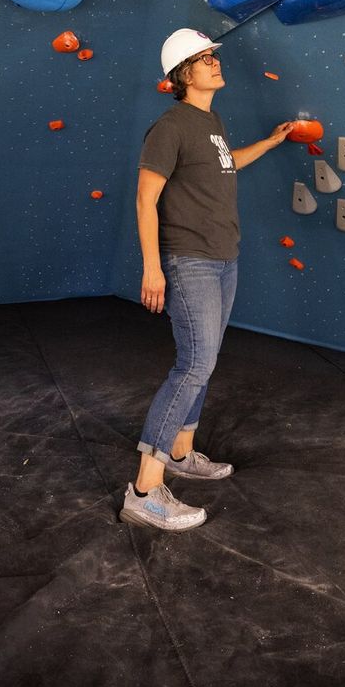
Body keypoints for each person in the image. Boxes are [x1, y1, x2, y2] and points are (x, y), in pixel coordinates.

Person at [119, 28, 294, 532]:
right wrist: (153, 267)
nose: (215, 63)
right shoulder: (170, 126)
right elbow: (145, 199)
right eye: (204, 59)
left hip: (224, 258)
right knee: (194, 365)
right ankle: (145, 491)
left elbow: (225, 164)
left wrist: (269, 141)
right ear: (182, 75)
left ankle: (180, 451)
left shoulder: (210, 122)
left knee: (205, 363)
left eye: (213, 56)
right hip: (189, 260)